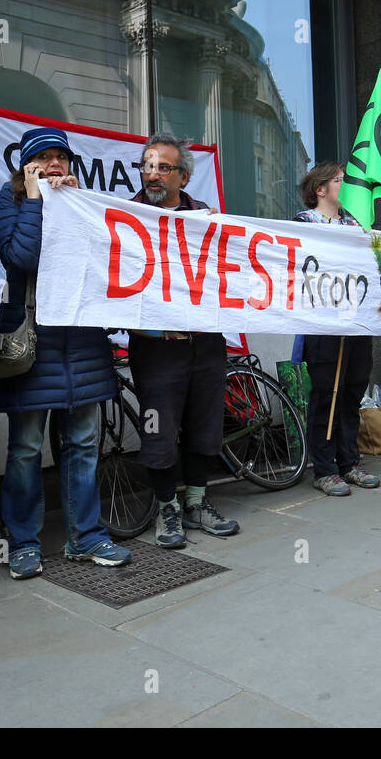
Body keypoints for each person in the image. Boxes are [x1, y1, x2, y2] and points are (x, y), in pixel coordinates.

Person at [0, 128, 130, 578]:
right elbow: (22, 258)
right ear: (24, 165)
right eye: (43, 158)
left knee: (84, 445)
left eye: (60, 158)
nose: (54, 165)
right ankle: (24, 542)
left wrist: (75, 204)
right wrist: (35, 200)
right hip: (33, 346)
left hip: (82, 344)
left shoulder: (84, 203)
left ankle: (85, 536)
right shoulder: (8, 202)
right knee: (26, 449)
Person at [127, 134, 239, 547]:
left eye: (163, 168)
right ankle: (166, 508)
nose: (152, 174)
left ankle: (197, 500)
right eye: (147, 166)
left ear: (184, 177)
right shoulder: (123, 215)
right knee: (159, 429)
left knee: (204, 424)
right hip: (156, 346)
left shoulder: (208, 221)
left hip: (205, 341)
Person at [293, 162, 380, 495]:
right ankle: (325, 468)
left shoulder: (352, 223)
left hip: (355, 319)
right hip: (323, 323)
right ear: (320, 189)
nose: (345, 187)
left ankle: (349, 461)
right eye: (340, 182)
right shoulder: (304, 223)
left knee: (351, 390)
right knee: (327, 393)